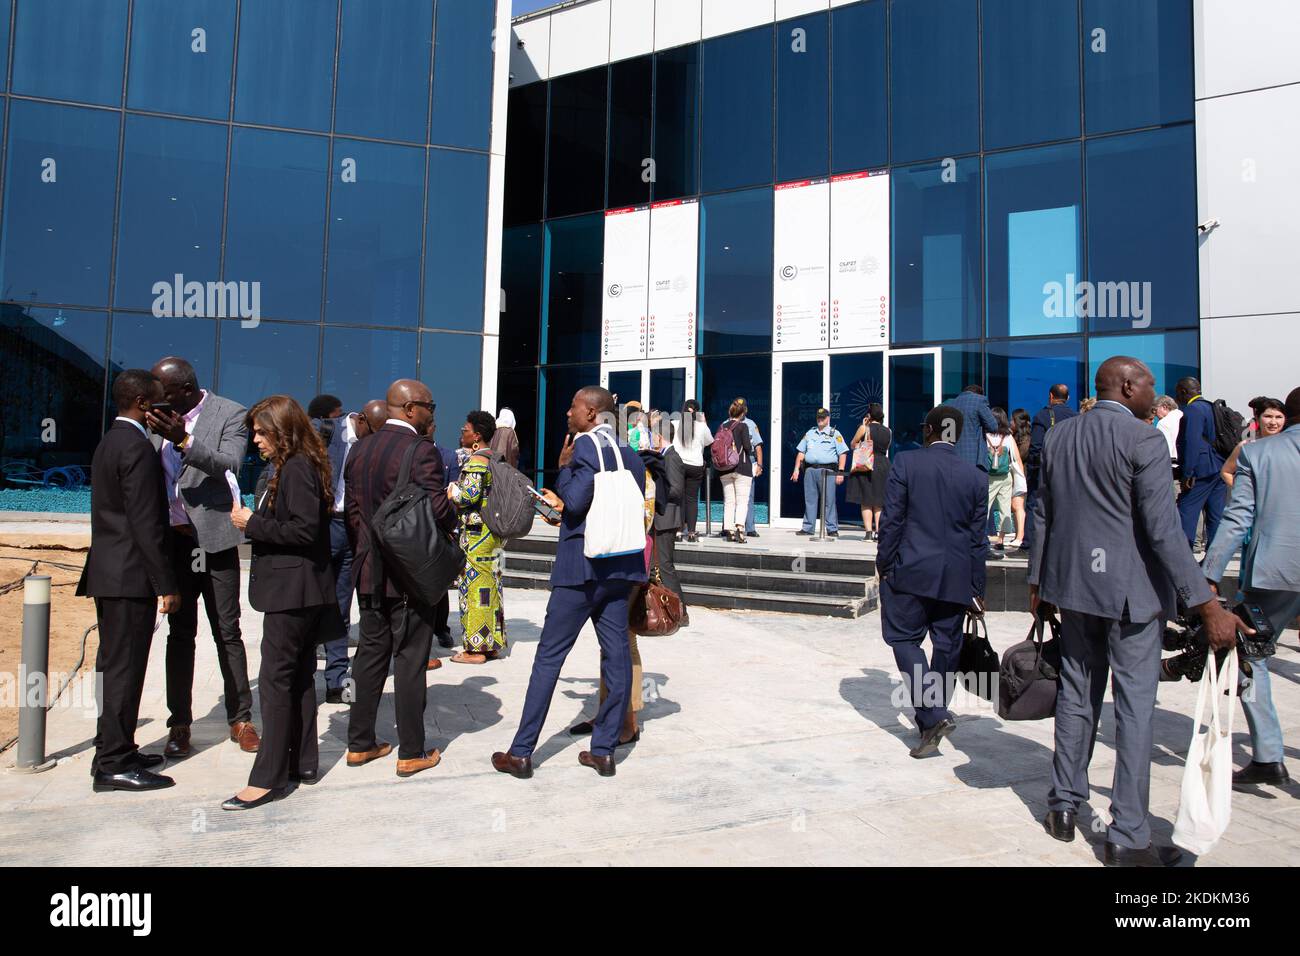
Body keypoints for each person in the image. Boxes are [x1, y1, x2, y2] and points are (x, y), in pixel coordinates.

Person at [1030, 356, 1244, 867]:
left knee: (1078, 696)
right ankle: (1127, 833)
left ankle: (1063, 804)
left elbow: (1043, 512)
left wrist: (1037, 583)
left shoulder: (1060, 436)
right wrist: (1206, 603)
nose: (1155, 393)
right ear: (1127, 386)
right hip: (1130, 596)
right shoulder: (1145, 439)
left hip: (1074, 589)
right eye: (1149, 385)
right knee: (1133, 711)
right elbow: (1164, 529)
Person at [493, 387, 647, 779]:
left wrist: (563, 470)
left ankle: (522, 752)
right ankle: (604, 750)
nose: (567, 411)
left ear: (592, 413)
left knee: (549, 658)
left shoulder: (583, 448)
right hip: (621, 567)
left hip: (581, 569)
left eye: (574, 406)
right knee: (616, 655)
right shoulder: (629, 454)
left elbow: (576, 502)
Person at [223, 396, 339, 810]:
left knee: (275, 682)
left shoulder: (296, 469)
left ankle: (267, 777)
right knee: (299, 678)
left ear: (282, 430)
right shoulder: (298, 466)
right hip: (300, 592)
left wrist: (252, 523)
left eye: (260, 431)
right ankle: (302, 763)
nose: (255, 440)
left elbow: (304, 531)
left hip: (294, 594)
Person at [145, 356, 258, 758]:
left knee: (227, 631)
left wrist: (185, 440)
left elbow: (230, 462)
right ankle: (179, 724)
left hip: (214, 539)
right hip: (174, 543)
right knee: (180, 635)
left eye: (163, 391)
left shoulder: (229, 413)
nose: (156, 398)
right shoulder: (156, 417)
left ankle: (241, 718)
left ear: (185, 388)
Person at [344, 379, 456, 778]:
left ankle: (360, 744)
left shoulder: (359, 450)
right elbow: (437, 508)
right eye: (429, 405)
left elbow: (353, 514)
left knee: (370, 657)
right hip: (410, 574)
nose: (433, 413)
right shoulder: (420, 451)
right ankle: (411, 751)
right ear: (410, 409)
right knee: (410, 660)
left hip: (369, 571)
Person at [79, 370, 181, 793]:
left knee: (115, 664)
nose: (165, 411)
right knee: (124, 668)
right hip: (129, 575)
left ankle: (114, 744)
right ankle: (113, 764)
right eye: (159, 403)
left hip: (110, 571)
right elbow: (144, 522)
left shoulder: (110, 441)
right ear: (142, 403)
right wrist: (165, 583)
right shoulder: (136, 448)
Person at [1202, 386, 1300, 791]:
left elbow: (1237, 518)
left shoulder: (1259, 454)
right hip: (1278, 574)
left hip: (1275, 574)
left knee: (1248, 655)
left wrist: (1209, 573)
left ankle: (1268, 755)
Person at [875, 405, 987, 758]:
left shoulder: (907, 463)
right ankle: (931, 720)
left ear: (930, 431)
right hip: (956, 575)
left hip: (910, 570)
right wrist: (977, 586)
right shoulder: (976, 476)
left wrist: (885, 563)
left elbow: (892, 520)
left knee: (904, 639)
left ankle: (934, 715)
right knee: (946, 647)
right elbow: (977, 539)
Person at [447, 410, 507, 664]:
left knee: (475, 588)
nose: (462, 431)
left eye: (466, 428)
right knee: (492, 587)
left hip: (476, 535)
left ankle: (475, 650)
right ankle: (491, 644)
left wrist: (452, 492)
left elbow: (468, 497)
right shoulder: (495, 458)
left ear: (477, 435)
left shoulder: (476, 462)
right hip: (493, 535)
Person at [1174, 376, 1227, 551]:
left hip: (1201, 470)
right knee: (1215, 516)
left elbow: (1191, 442)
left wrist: (1187, 473)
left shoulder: (1193, 410)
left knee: (1186, 510)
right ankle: (1214, 559)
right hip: (1219, 467)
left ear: (1183, 392)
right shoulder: (1212, 407)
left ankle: (1182, 554)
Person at [1024, 384, 1077, 551]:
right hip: (1069, 470)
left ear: (1051, 396)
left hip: (1044, 470)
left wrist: (1032, 469)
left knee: (1034, 504)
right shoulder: (1076, 417)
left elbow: (1036, 446)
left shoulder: (1043, 416)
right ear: (1068, 398)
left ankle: (1030, 543)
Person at [644, 413, 686, 618]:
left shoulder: (672, 457)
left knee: (666, 567)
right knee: (657, 567)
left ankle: (680, 610)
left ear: (660, 437)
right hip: (661, 519)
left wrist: (655, 488)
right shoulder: (666, 456)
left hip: (667, 520)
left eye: (654, 436)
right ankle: (667, 608)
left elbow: (677, 490)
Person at [791, 407, 848, 537]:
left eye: (823, 417)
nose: (820, 420)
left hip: (827, 471)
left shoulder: (835, 434)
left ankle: (832, 528)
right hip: (810, 470)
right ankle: (808, 527)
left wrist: (840, 471)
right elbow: (801, 452)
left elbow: (843, 453)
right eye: (818, 417)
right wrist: (796, 469)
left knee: (829, 500)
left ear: (828, 419)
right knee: (810, 500)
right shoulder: (810, 433)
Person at [847, 403, 891, 542]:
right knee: (879, 501)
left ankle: (868, 533)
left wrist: (864, 426)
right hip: (883, 464)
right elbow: (885, 448)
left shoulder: (864, 428)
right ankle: (879, 532)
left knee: (866, 500)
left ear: (869, 415)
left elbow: (853, 444)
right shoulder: (888, 431)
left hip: (867, 464)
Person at [985, 407, 1026, 551]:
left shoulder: (985, 436)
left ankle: (982, 536)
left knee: (985, 507)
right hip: (1005, 476)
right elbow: (1017, 458)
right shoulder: (1008, 437)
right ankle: (1001, 539)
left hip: (989, 477)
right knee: (1004, 508)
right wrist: (1021, 477)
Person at [673, 399, 713, 543]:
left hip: (679, 465)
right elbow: (709, 441)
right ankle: (691, 532)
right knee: (691, 499)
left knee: (680, 499)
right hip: (696, 465)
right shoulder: (702, 427)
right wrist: (704, 422)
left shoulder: (675, 424)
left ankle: (678, 531)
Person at [1222, 397, 1285, 488]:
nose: (1273, 422)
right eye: (1268, 416)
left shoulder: (1291, 444)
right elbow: (1226, 472)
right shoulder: (1246, 445)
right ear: (1257, 418)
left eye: (1278, 417)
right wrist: (1245, 493)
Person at [716, 400, 755, 543]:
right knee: (742, 501)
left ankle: (729, 530)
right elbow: (747, 447)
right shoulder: (743, 426)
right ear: (743, 413)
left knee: (729, 501)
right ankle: (740, 529)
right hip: (742, 468)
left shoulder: (722, 426)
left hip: (724, 468)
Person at [948, 384, 999, 472]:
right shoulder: (979, 400)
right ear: (979, 394)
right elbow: (993, 426)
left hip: (953, 458)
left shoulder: (951, 404)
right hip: (974, 460)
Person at [740, 401, 765, 537]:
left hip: (749, 460)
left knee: (749, 495)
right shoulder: (727, 423)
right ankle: (728, 527)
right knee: (731, 496)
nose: (741, 411)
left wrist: (759, 465)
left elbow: (758, 447)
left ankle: (750, 528)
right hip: (733, 460)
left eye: (743, 409)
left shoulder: (751, 424)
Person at [1152, 395, 1182, 470]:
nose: (1155, 415)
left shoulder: (1163, 423)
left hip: (1173, 466)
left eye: (1155, 410)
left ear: (1164, 407)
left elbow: (1165, 450)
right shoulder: (1182, 414)